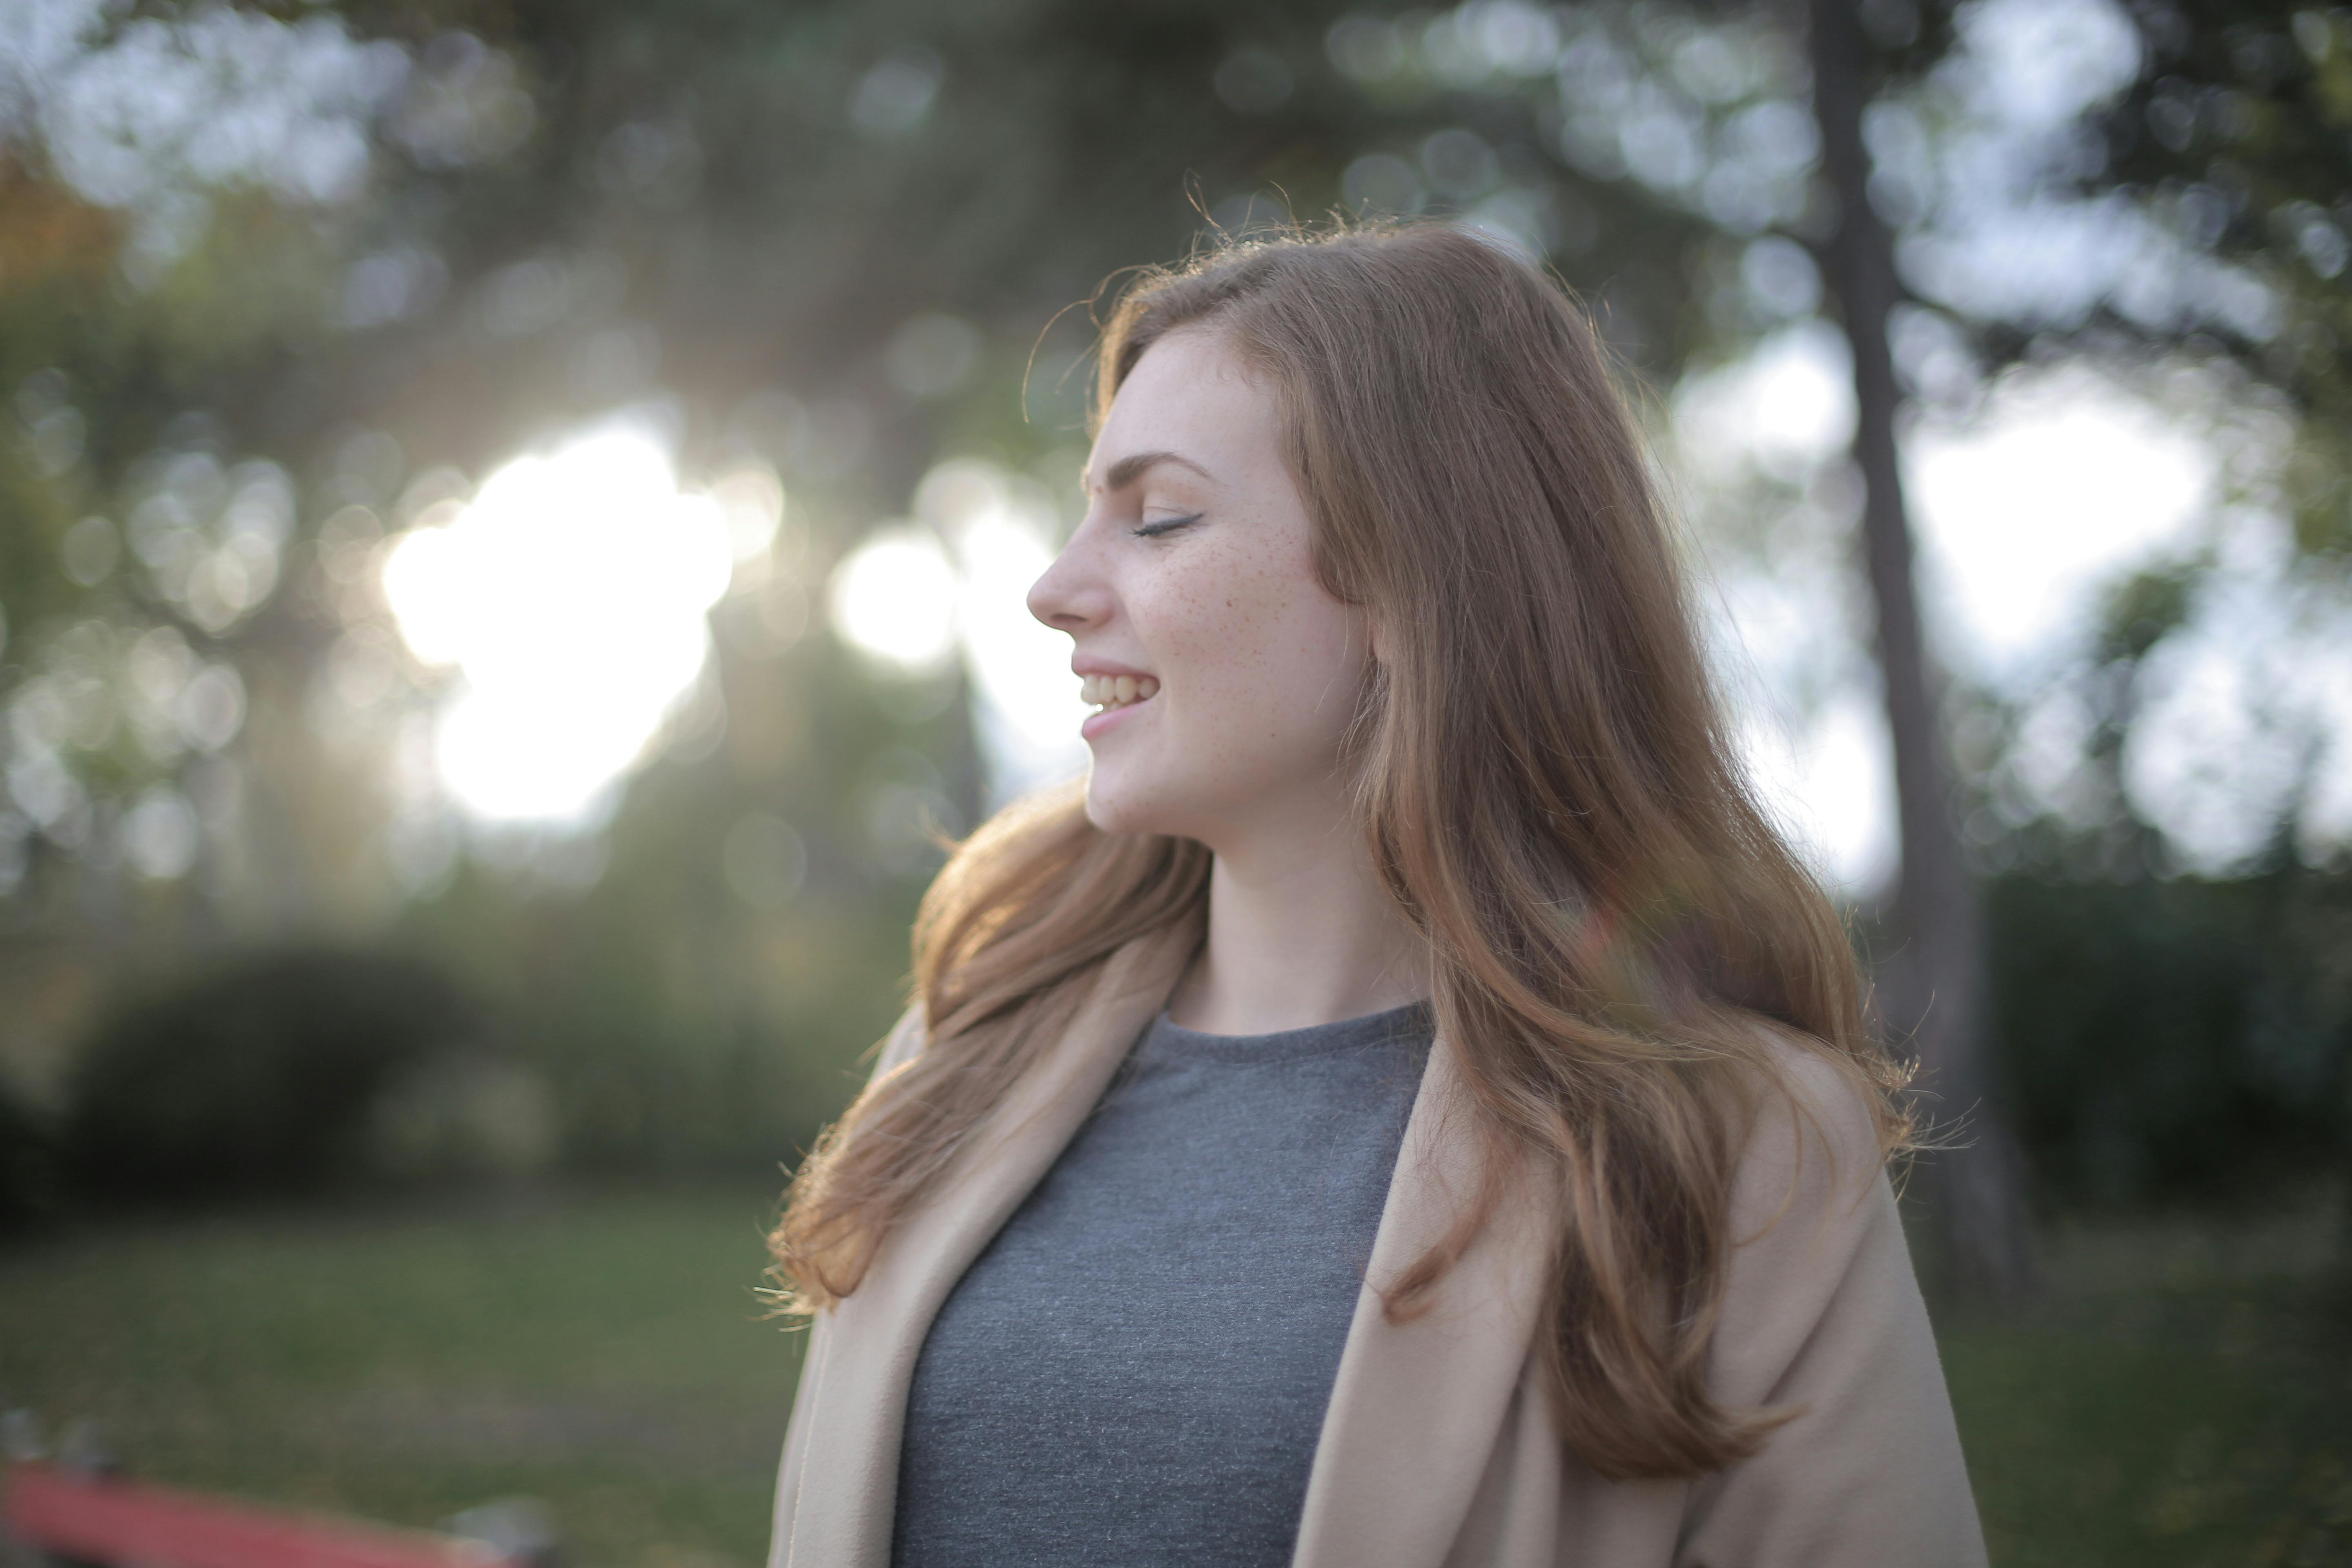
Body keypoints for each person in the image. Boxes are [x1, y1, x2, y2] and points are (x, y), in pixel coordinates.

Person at [764, 222, 1987, 1568]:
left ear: (1419, 575)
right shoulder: (962, 1045)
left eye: (1158, 517)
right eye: (1083, 512)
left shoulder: (1734, 1150)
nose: (1056, 590)